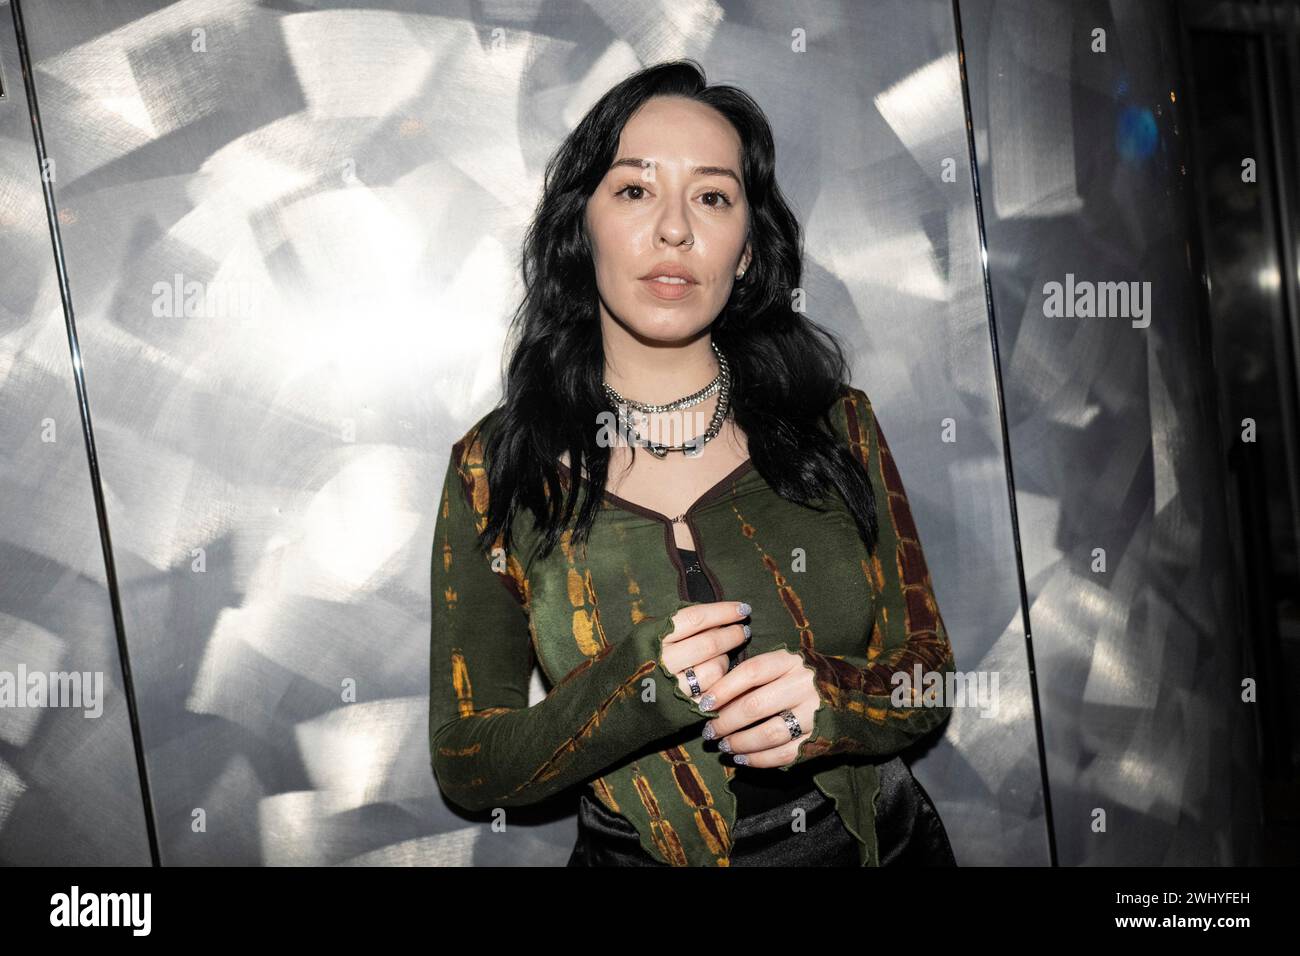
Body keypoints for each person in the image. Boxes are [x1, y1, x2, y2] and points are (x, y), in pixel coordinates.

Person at [429, 59, 957, 866]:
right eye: (635, 190)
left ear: (746, 249)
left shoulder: (837, 423)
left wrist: (839, 700)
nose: (674, 229)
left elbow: (931, 678)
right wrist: (636, 689)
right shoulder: (496, 468)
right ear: (583, 228)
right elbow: (467, 763)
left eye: (712, 196)